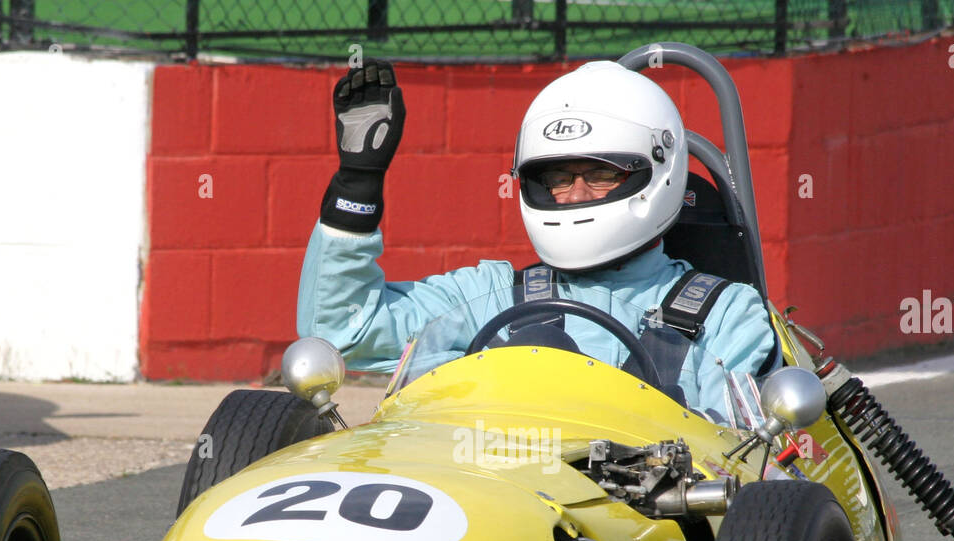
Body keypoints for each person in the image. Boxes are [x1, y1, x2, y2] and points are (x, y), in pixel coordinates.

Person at [297, 58, 779, 411]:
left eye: (600, 174)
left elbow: (735, 465)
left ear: (655, 173)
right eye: (557, 179)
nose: (574, 195)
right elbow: (342, 333)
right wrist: (355, 188)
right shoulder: (492, 296)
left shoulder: (727, 314)